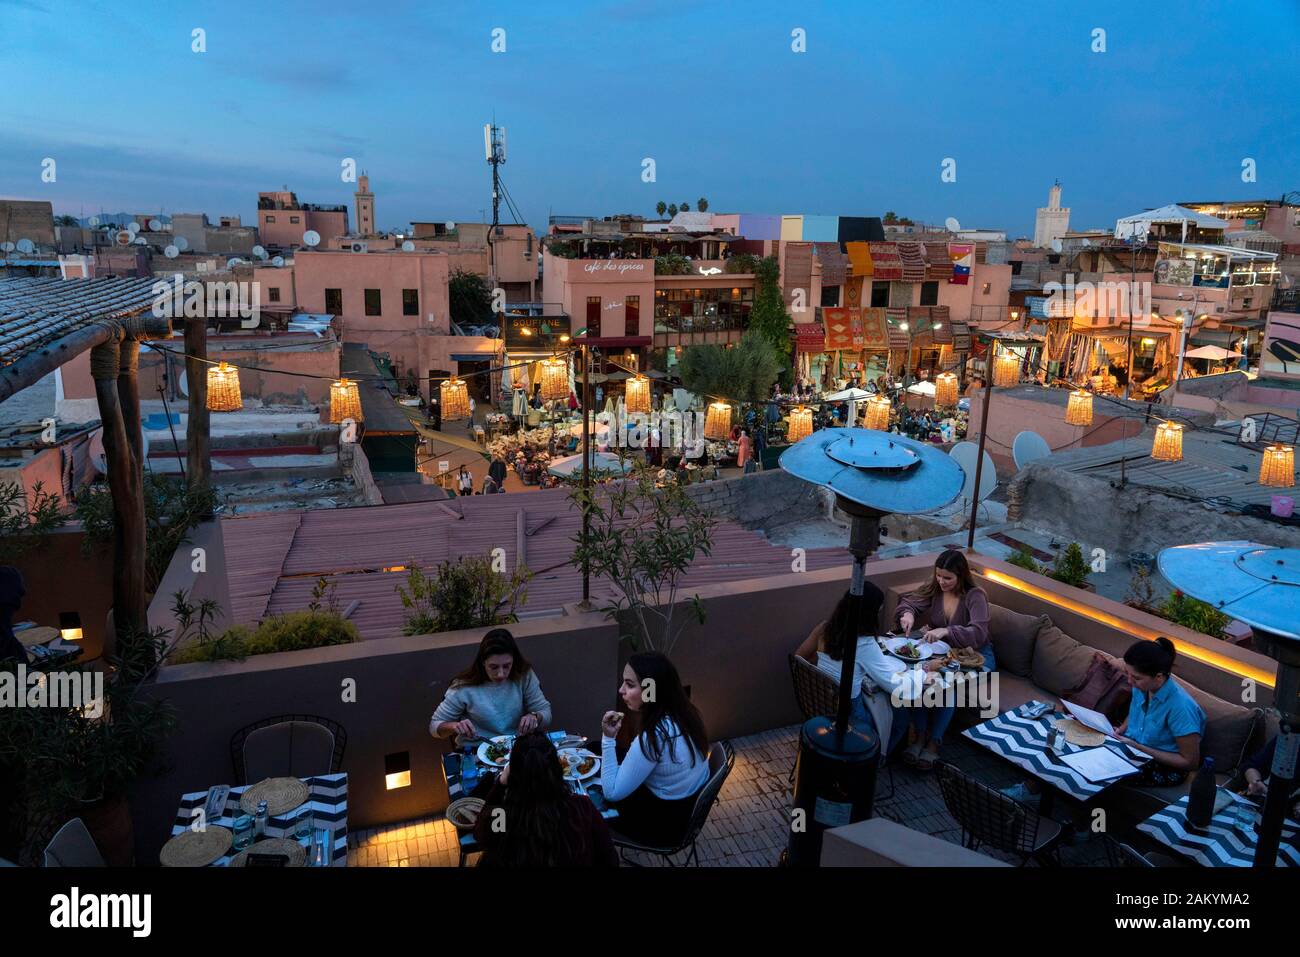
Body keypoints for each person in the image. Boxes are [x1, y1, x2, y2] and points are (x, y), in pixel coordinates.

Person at [794, 584, 923, 758]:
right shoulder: (864, 643)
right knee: (901, 717)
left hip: (819, 701)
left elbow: (799, 658)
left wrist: (822, 670)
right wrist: (924, 672)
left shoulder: (825, 628)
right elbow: (898, 687)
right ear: (870, 614)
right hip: (848, 714)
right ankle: (874, 761)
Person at [894, 548, 995, 770]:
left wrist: (947, 631)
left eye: (947, 577)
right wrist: (908, 614)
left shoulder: (975, 595)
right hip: (946, 653)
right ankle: (919, 736)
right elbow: (910, 602)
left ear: (961, 576)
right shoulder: (936, 588)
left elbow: (979, 633)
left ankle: (933, 744)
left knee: (947, 686)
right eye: (938, 575)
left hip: (976, 657)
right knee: (922, 679)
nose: (941, 581)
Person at [600, 652, 710, 847]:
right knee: (594, 749)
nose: (621, 690)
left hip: (663, 827)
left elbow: (612, 793)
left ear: (650, 689)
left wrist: (608, 739)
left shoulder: (653, 738)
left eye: (630, 685)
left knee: (591, 801)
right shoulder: (685, 714)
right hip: (683, 808)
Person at [473, 731, 618, 867]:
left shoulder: (502, 816)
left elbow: (482, 836)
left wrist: (500, 784)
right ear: (557, 769)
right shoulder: (581, 806)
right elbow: (610, 859)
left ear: (513, 774)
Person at [430, 628, 553, 750]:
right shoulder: (463, 686)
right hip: (476, 750)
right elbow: (434, 727)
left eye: (506, 666)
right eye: (493, 667)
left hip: (518, 747)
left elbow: (546, 713)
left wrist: (535, 717)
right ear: (483, 662)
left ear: (514, 661)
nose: (501, 674)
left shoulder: (524, 676)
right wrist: (454, 726)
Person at [1114, 637, 1205, 786]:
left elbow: (1190, 762)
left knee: (1112, 773)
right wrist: (1120, 731)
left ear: (1159, 676)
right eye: (1127, 673)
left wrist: (1139, 748)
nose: (1130, 681)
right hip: (1133, 748)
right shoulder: (1142, 687)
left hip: (1165, 766)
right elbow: (1136, 713)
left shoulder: (1181, 707)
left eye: (1136, 677)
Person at [1239, 735, 1300, 819]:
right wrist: (1255, 782)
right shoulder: (1286, 738)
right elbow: (1251, 766)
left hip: (1290, 817)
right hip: (1259, 803)